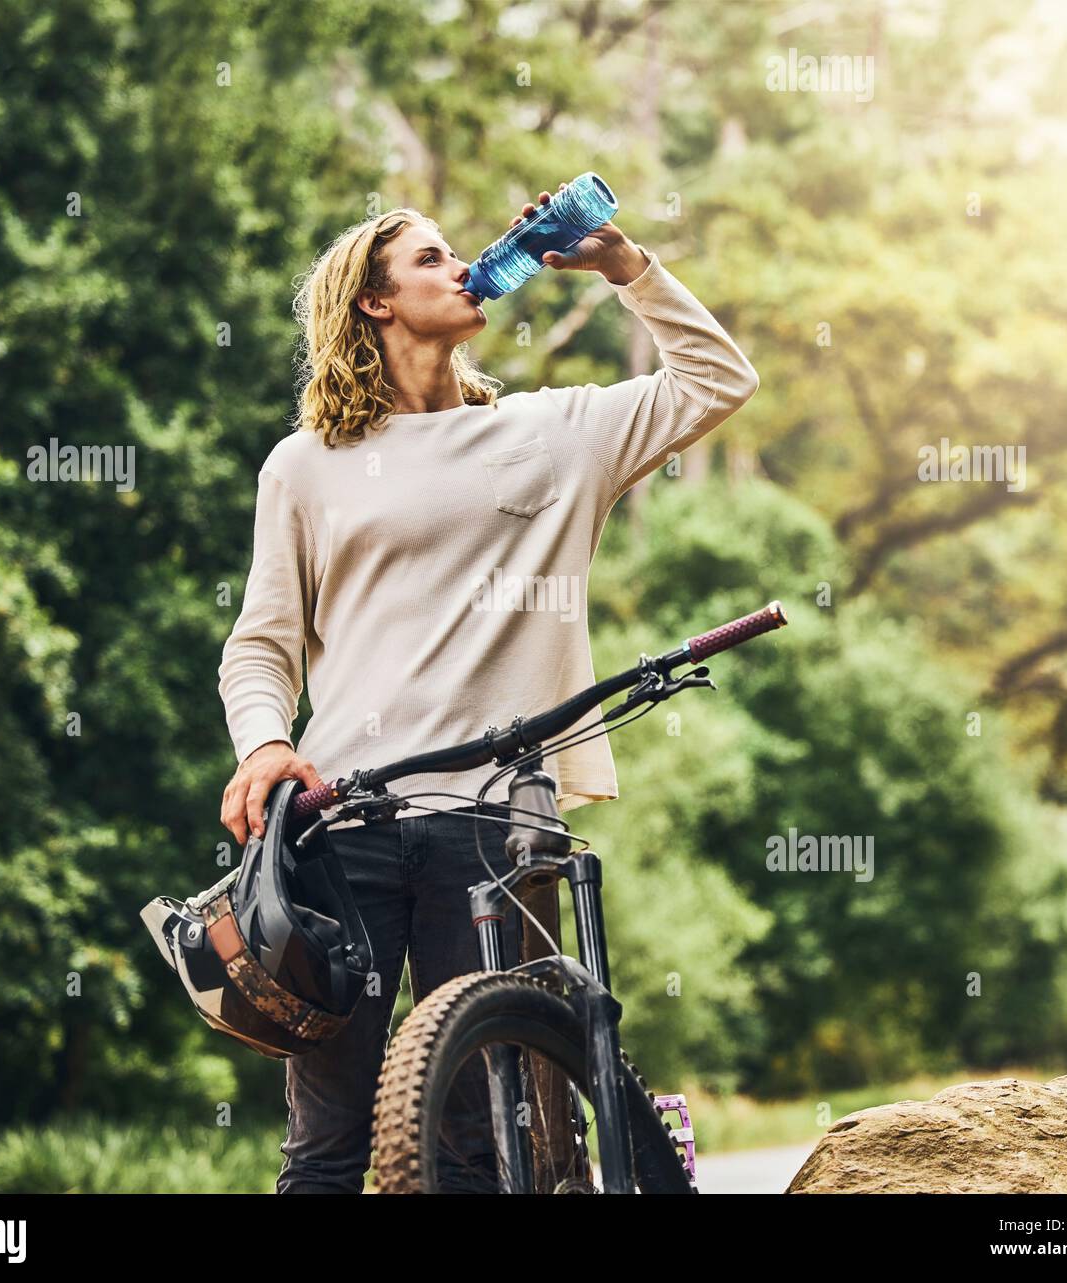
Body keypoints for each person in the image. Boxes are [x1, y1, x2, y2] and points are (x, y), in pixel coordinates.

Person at [217, 183, 760, 1193]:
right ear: (374, 303)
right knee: (328, 1143)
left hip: (497, 827)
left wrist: (626, 269)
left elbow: (718, 378)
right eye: (428, 256)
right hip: (348, 826)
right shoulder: (306, 466)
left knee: (478, 1136)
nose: (460, 262)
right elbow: (260, 645)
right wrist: (262, 743)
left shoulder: (552, 432)